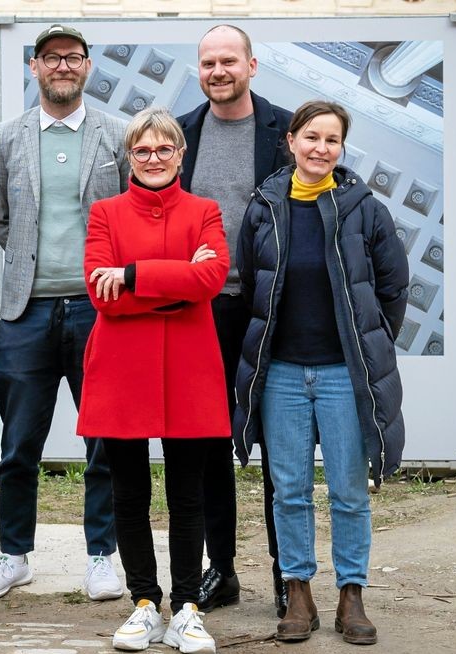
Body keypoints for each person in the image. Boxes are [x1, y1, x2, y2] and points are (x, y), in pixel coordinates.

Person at [234, 100, 409, 646]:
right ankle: (299, 593)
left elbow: (393, 289)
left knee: (349, 491)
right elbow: (250, 293)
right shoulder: (264, 207)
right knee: (289, 490)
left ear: (340, 148)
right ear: (291, 141)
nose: (320, 149)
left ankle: (351, 594)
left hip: (341, 375)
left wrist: (367, 347)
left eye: (332, 140)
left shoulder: (365, 210)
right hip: (282, 374)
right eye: (311, 137)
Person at [0, 23, 130, 602]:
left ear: (88, 67)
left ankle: (102, 557)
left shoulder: (116, 134)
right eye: (51, 58)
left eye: (73, 57)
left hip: (100, 311)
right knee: (17, 445)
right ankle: (14, 554)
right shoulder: (5, 137)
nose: (62, 66)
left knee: (105, 443)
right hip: (26, 312)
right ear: (34, 67)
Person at [79, 107, 229, 654]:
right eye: (142, 150)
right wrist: (178, 279)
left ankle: (187, 607)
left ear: (181, 153)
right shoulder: (105, 213)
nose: (154, 158)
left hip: (188, 368)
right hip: (123, 367)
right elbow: (100, 293)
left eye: (164, 149)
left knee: (188, 495)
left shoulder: (205, 211)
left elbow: (212, 277)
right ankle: (145, 602)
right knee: (129, 492)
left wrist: (134, 275)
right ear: (130, 157)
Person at [176, 24, 291, 617]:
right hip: (202, 310)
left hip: (271, 309)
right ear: (199, 71)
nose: (218, 71)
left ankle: (285, 574)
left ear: (251, 64)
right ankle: (220, 570)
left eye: (228, 61)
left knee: (279, 447)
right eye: (208, 63)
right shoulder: (182, 133)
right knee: (207, 443)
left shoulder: (286, 131)